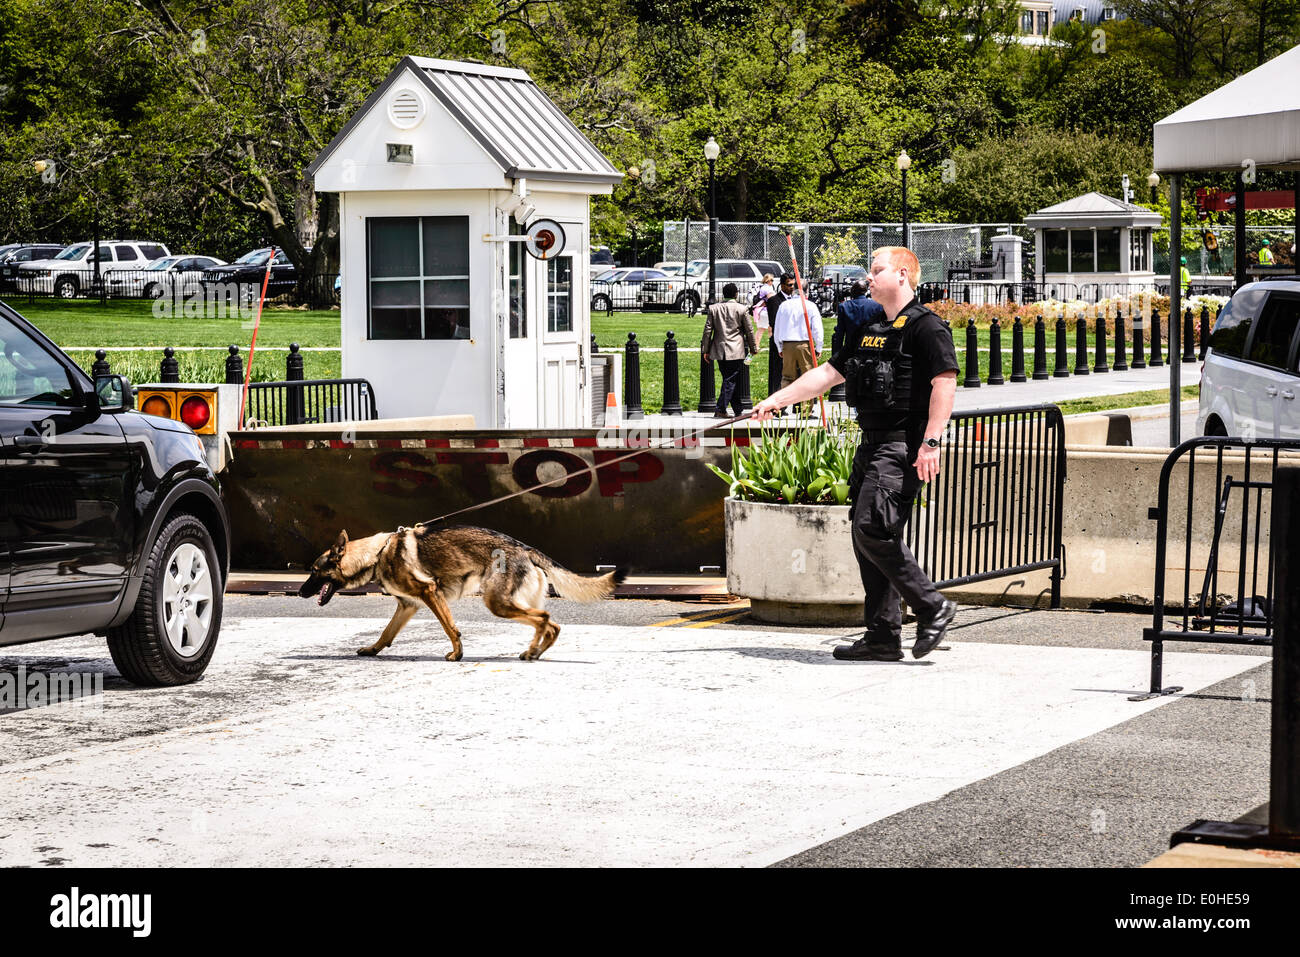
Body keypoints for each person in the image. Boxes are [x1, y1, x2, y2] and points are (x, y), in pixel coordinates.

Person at [752, 246, 959, 662]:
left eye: (877, 269)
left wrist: (931, 443)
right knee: (865, 537)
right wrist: (779, 398)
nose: (869, 276)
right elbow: (828, 374)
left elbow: (945, 383)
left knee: (873, 528)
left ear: (902, 275)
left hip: (903, 444)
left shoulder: (927, 327)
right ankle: (882, 637)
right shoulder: (870, 327)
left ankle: (931, 605)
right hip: (873, 443)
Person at [702, 282, 759, 418]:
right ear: (736, 294)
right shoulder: (742, 309)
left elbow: (707, 331)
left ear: (723, 294)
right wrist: (753, 348)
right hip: (736, 349)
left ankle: (737, 408)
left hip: (719, 349)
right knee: (731, 379)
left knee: (730, 378)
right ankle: (720, 408)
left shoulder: (714, 308)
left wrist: (706, 349)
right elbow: (749, 331)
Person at [772, 278, 824, 397]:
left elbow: (777, 328)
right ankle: (806, 411)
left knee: (787, 377)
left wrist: (779, 347)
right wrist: (819, 347)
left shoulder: (784, 306)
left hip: (787, 344)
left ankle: (782, 406)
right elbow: (817, 329)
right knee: (808, 377)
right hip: (804, 345)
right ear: (806, 291)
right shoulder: (810, 306)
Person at [833, 279, 884, 355]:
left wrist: (836, 354)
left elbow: (840, 333)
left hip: (850, 348)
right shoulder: (877, 305)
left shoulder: (844, 306)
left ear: (853, 291)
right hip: (870, 347)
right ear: (865, 291)